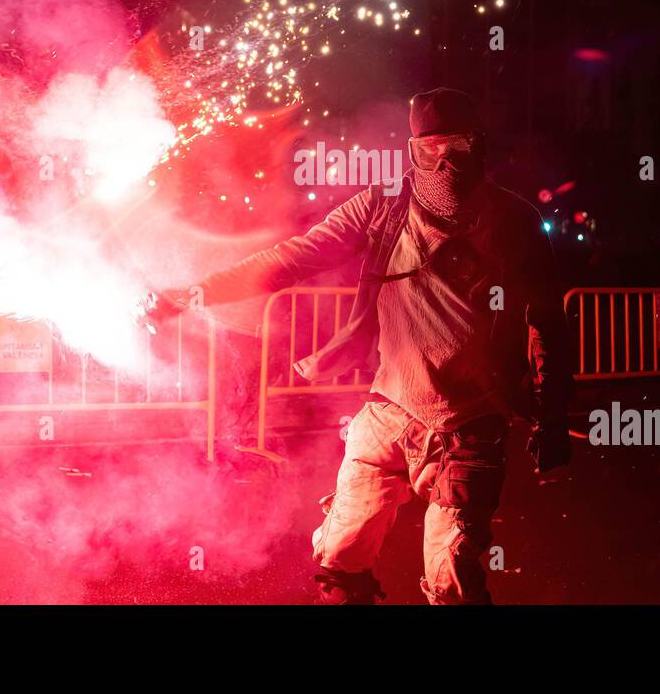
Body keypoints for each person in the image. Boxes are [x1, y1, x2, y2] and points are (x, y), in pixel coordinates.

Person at [146, 88, 572, 603]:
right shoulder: (383, 204)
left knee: (451, 581)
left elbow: (547, 321)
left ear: (478, 146)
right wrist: (190, 295)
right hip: (387, 413)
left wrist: (552, 413)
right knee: (340, 564)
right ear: (413, 151)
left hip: (470, 426)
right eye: (430, 150)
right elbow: (292, 259)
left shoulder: (515, 221)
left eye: (456, 146)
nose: (444, 163)